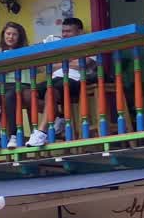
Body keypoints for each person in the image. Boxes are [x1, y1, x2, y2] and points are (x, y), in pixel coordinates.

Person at [27, 17, 97, 147]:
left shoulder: (88, 43)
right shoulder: (58, 45)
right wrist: (70, 61)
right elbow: (43, 67)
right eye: (63, 31)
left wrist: (58, 63)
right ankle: (58, 117)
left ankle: (41, 132)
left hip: (76, 80)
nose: (65, 34)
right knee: (28, 94)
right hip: (55, 80)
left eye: (69, 31)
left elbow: (84, 64)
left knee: (51, 91)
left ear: (80, 32)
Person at [0, 22, 33, 150]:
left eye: (14, 34)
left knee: (9, 97)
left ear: (20, 37)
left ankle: (13, 135)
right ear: (3, 35)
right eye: (8, 33)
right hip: (1, 85)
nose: (10, 37)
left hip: (20, 85)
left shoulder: (25, 51)